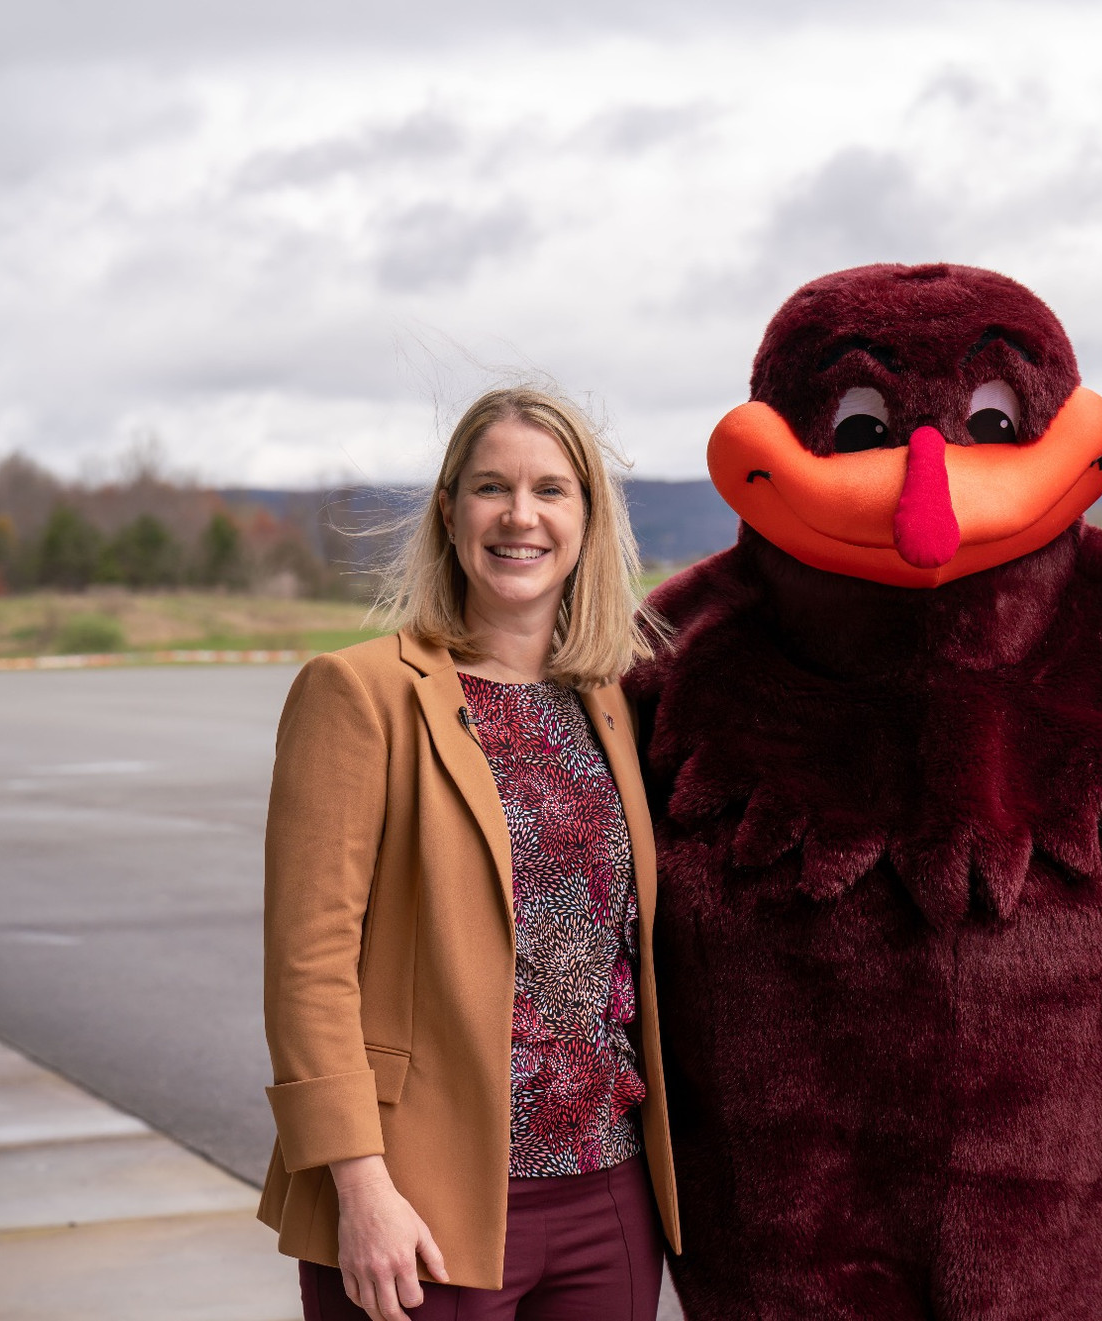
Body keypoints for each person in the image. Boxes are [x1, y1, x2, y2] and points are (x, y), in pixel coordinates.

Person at [259, 386, 679, 1321]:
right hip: (421, 1198)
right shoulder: (358, 695)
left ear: (588, 519)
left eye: (551, 490)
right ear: (450, 512)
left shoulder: (613, 703)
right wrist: (361, 1189)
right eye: (491, 487)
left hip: (607, 1188)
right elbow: (308, 967)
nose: (519, 515)